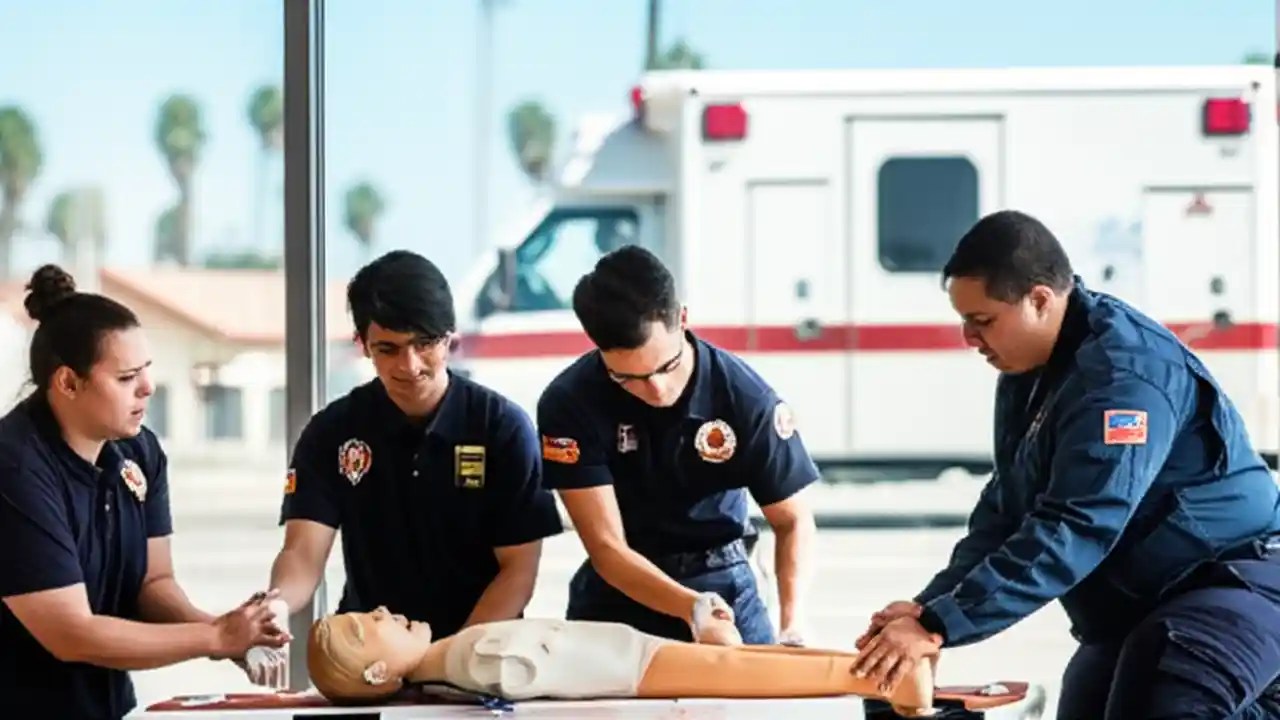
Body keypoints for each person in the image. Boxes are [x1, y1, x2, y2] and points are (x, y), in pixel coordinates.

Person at [852, 210, 1280, 719]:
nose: (969, 337)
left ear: (1039, 299)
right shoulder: (1029, 372)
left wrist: (942, 623)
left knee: (1170, 686)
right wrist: (928, 611)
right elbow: (1007, 512)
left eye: (982, 320)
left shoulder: (1124, 377)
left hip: (1232, 582)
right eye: (964, 320)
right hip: (1140, 606)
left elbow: (1078, 523)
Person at [244, 250, 564, 687]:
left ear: (450, 338)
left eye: (424, 344)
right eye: (388, 349)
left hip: (479, 654)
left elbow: (518, 571)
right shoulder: (333, 431)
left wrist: (444, 663)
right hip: (369, 661)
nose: (409, 366)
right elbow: (302, 552)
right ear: (363, 345)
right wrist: (275, 608)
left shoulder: (501, 428)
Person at [0, 264, 288, 719]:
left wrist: (229, 630)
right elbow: (70, 633)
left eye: (147, 371)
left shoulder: (139, 450)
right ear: (68, 383)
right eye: (126, 377)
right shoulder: (15, 468)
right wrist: (213, 638)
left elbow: (152, 584)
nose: (148, 388)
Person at [535, 245, 819, 647]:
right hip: (620, 588)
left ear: (682, 319)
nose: (656, 389)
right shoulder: (569, 402)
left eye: (666, 366)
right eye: (626, 378)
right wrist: (693, 609)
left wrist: (792, 622)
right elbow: (606, 546)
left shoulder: (744, 397)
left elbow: (792, 521)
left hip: (724, 580)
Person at [305, 607, 938, 714]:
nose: (383, 611)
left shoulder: (456, 657)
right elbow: (522, 670)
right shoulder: (470, 658)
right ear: (376, 675)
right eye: (367, 627)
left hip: (629, 654)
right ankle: (890, 679)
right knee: (750, 675)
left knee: (752, 661)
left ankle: (885, 674)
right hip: (629, 667)